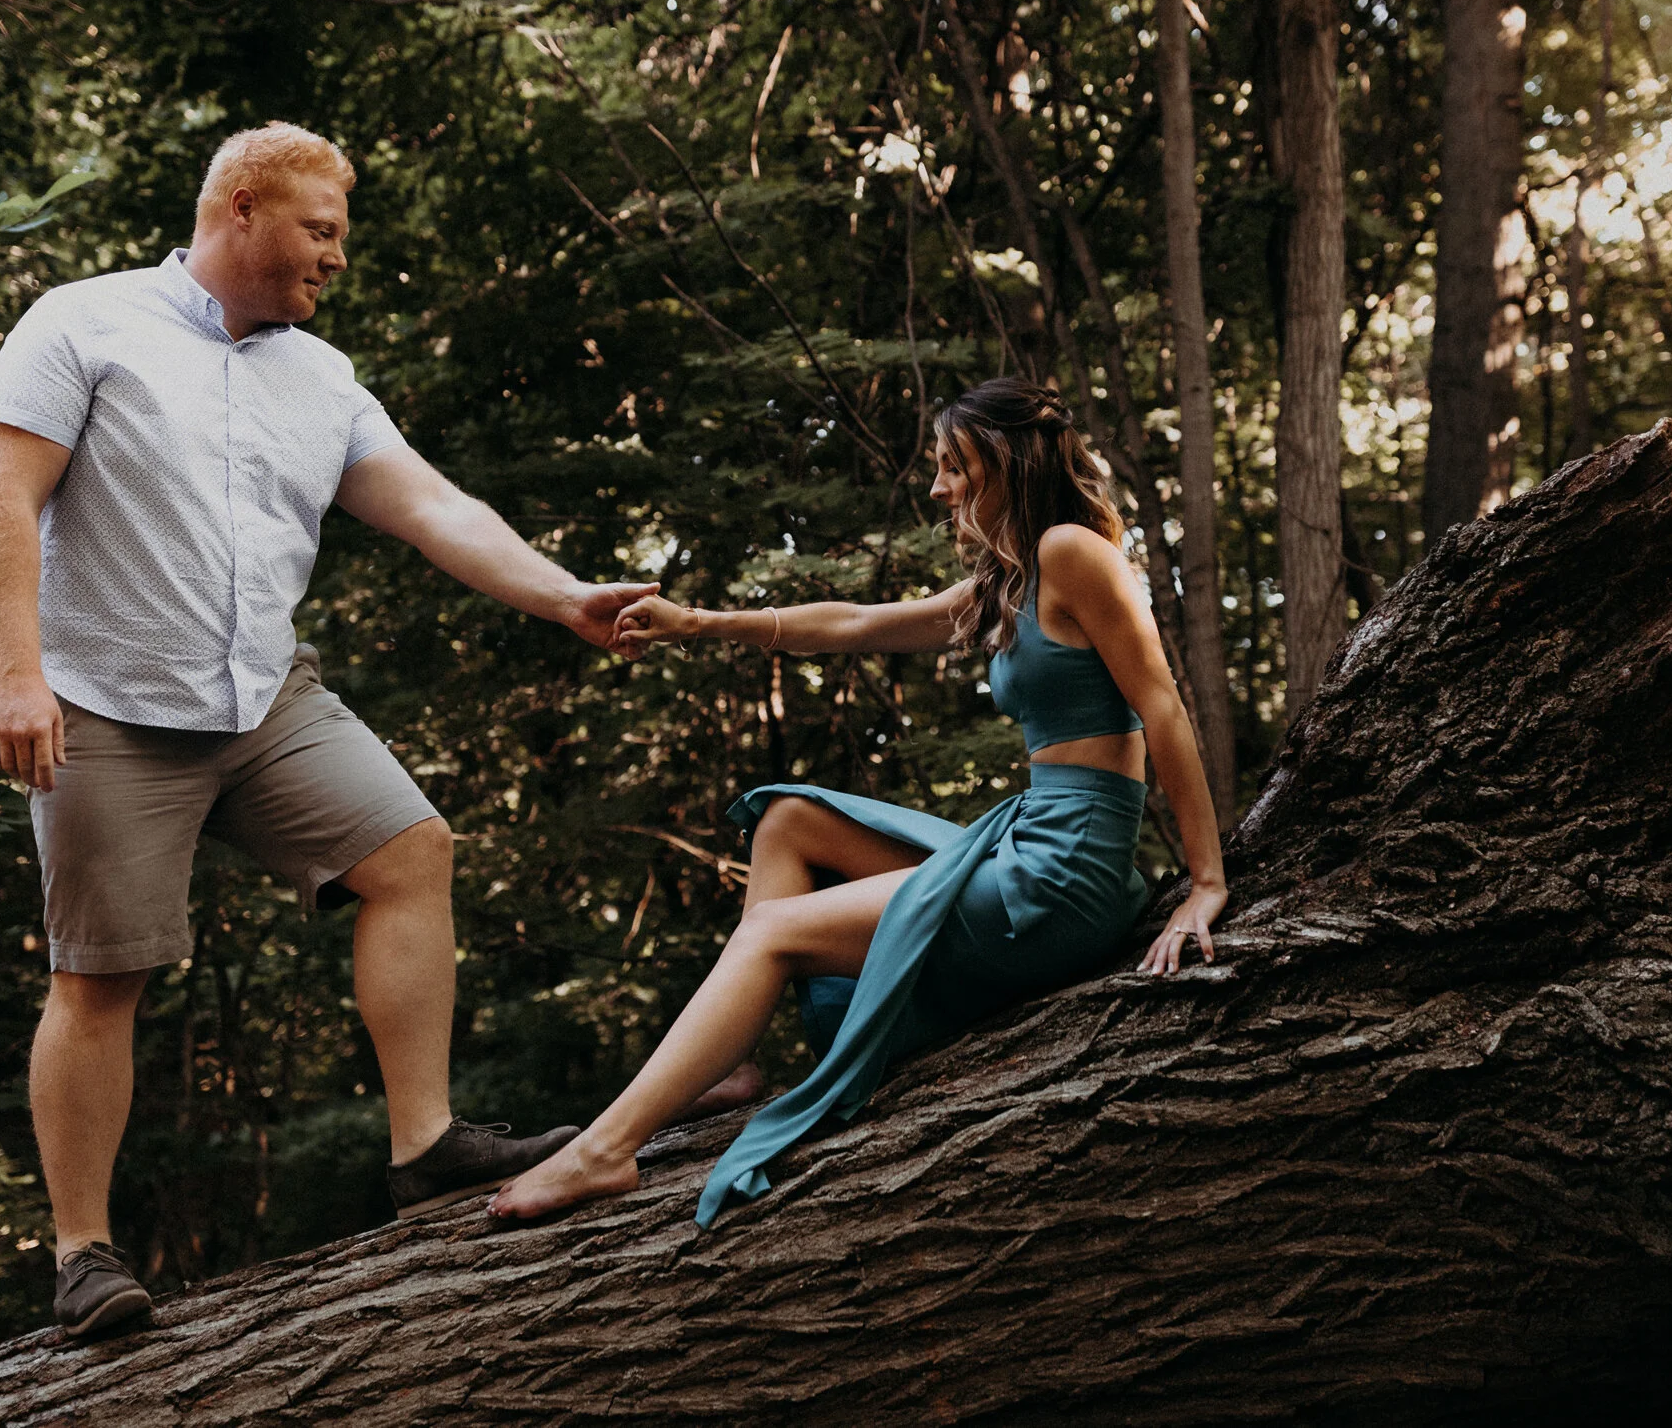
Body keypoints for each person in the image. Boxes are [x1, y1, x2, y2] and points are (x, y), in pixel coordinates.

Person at [0, 122, 655, 1337]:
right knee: (102, 976)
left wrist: (561, 594)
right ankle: (82, 1254)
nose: (338, 258)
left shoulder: (321, 378)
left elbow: (434, 505)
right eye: (322, 231)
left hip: (264, 698)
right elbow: (1, 493)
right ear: (241, 207)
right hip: (108, 707)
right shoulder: (82, 323)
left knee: (410, 852)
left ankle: (427, 1144)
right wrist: (15, 673)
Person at [485, 378, 1228, 1227]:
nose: (940, 486)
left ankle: (604, 1150)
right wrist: (698, 623)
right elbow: (856, 624)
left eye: (955, 465)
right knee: (787, 817)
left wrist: (1206, 880)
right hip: (1026, 839)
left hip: (1063, 876)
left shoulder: (1071, 551)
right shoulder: (1009, 577)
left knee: (771, 929)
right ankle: (732, 1045)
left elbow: (1162, 704)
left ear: (1007, 461)